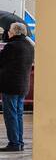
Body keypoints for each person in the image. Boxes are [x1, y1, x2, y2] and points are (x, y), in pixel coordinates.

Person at [0, 22, 34, 152]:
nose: (8, 33)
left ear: (14, 32)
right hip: (23, 85)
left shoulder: (12, 46)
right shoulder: (29, 46)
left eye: (9, 31)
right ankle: (19, 142)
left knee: (10, 115)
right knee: (18, 114)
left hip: (10, 86)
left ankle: (14, 143)